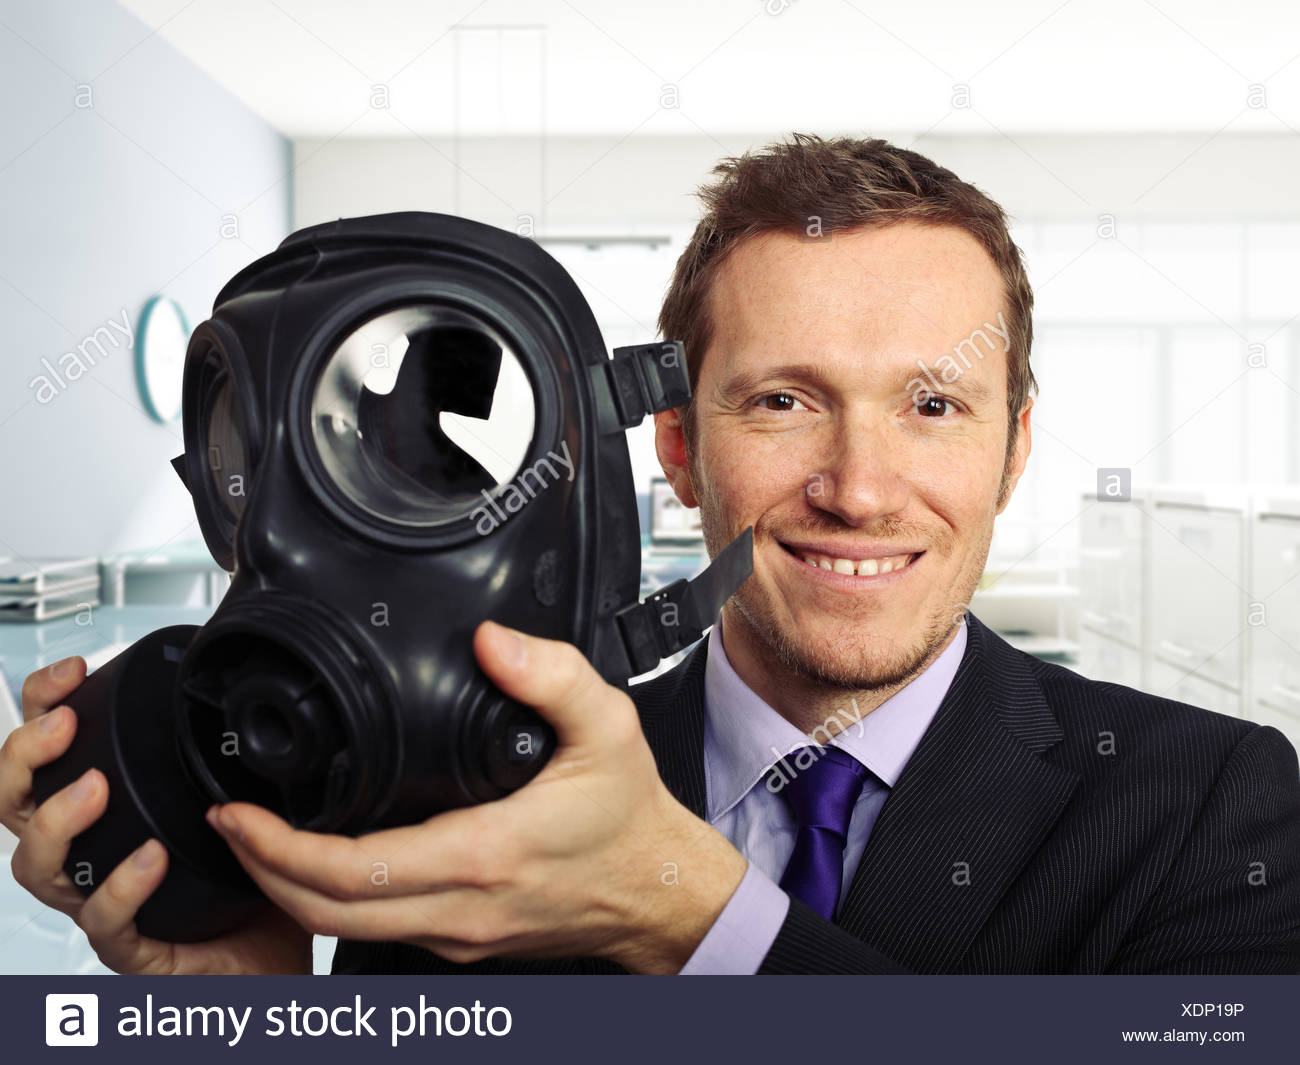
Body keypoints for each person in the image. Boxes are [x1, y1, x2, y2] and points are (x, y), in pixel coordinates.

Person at [4, 135, 1299, 975]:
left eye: (933, 404)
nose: (857, 488)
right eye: (783, 401)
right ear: (675, 447)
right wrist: (267, 1014)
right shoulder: (468, 820)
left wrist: (689, 909)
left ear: (1015, 448)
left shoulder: (1212, 806)